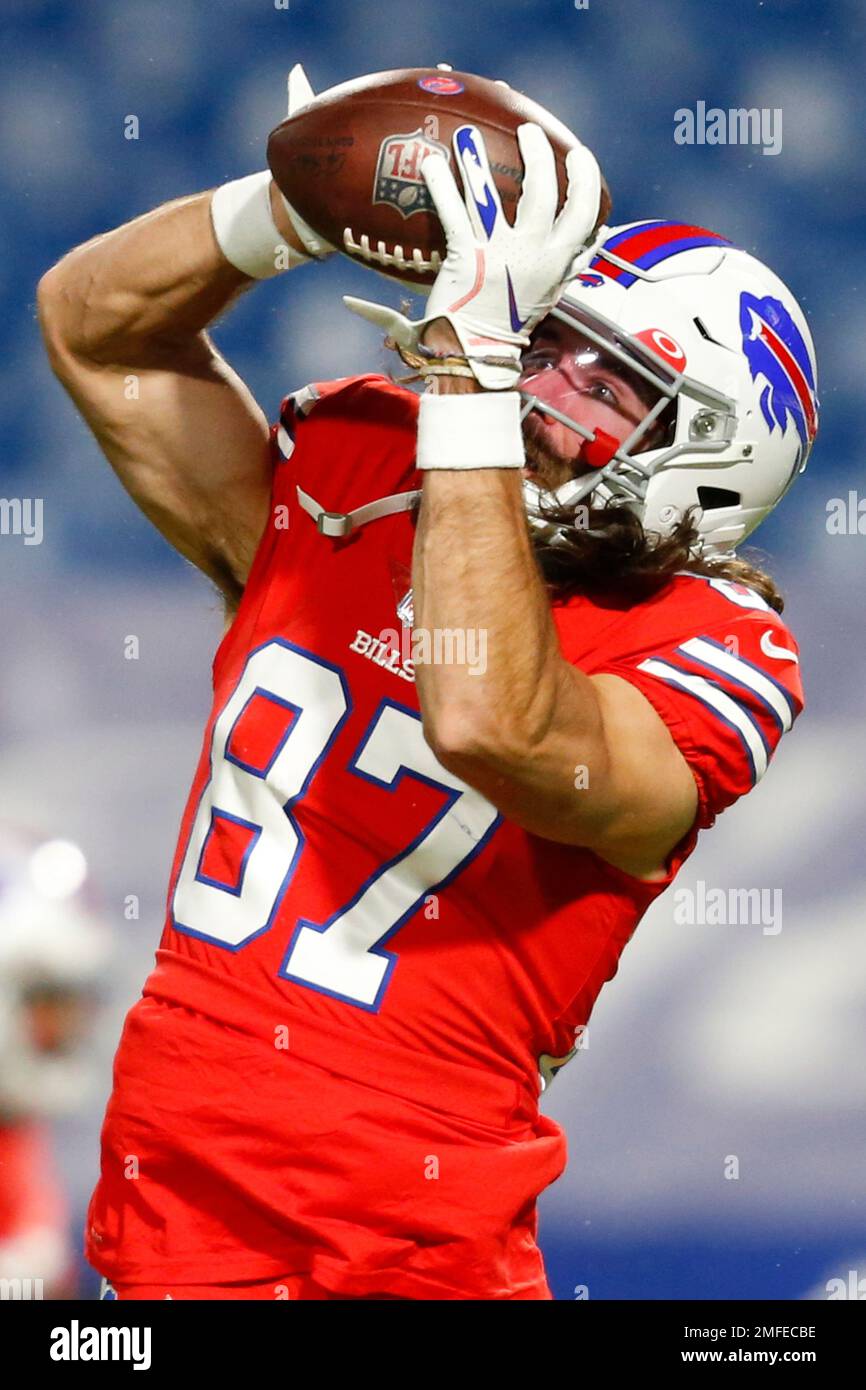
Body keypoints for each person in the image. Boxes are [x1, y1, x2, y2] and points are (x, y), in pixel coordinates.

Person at [37, 66, 817, 1301]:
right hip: (164, 1213)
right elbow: (95, 325)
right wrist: (282, 213)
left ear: (712, 456)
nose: (540, 388)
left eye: (601, 385)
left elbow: (490, 722)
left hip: (399, 1256)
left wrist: (470, 371)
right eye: (545, 342)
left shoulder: (712, 646)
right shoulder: (359, 469)